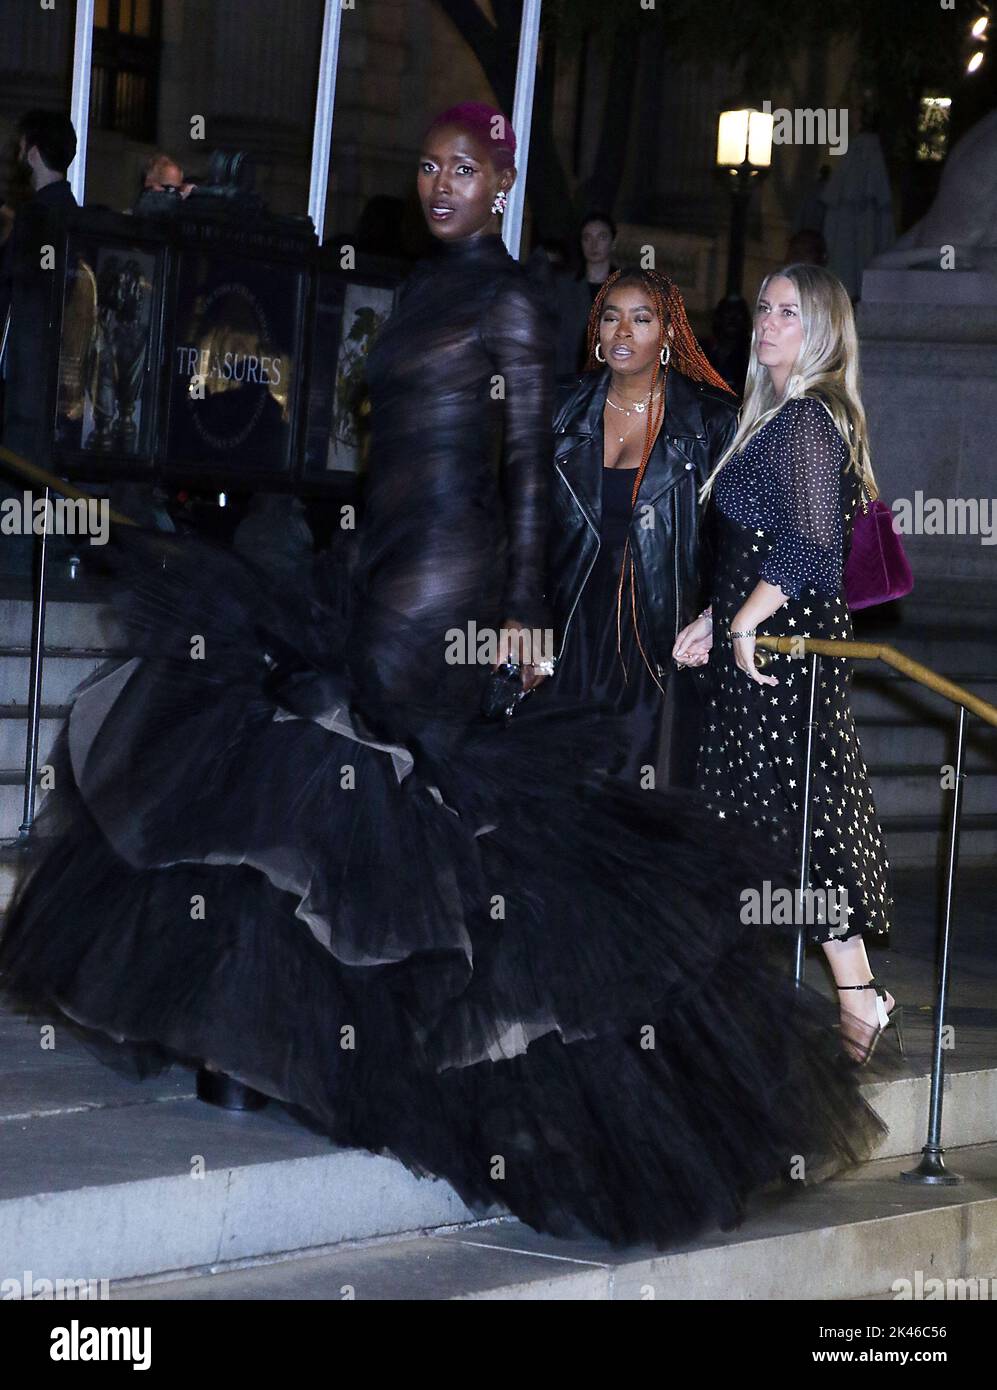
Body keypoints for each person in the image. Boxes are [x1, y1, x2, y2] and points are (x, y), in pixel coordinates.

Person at [0, 108, 889, 1250]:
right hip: (380, 562)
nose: (438, 184)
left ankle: (379, 1062)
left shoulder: (513, 299)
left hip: (447, 580)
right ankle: (277, 1048)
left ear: (503, 186)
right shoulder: (420, 291)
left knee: (373, 776)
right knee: (330, 773)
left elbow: (524, 466)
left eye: (463, 169)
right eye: (426, 166)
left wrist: (521, 606)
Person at [675, 264, 898, 1063]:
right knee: (765, 821)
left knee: (791, 821)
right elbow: (759, 544)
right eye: (764, 309)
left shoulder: (806, 419)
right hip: (768, 640)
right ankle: (840, 993)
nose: (767, 324)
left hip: (783, 651)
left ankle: (856, 998)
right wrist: (713, 618)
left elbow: (808, 543)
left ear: (822, 331)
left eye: (788, 314)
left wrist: (743, 620)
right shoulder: (774, 417)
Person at [537, 267, 737, 787]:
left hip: (659, 639)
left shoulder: (711, 421)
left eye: (641, 319)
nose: (622, 332)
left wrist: (719, 616)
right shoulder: (558, 408)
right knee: (553, 794)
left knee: (637, 802)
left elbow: (734, 543)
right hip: (568, 630)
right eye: (611, 318)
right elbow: (522, 527)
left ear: (668, 333)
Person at [0, 111, 79, 575]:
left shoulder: (35, 219)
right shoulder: (74, 217)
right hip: (58, 400)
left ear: (31, 150)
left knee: (16, 519)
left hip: (26, 397)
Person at [553, 211, 619, 377]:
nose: (594, 245)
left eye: (601, 237)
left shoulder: (625, 288)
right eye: (587, 238)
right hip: (566, 378)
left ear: (613, 242)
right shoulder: (562, 287)